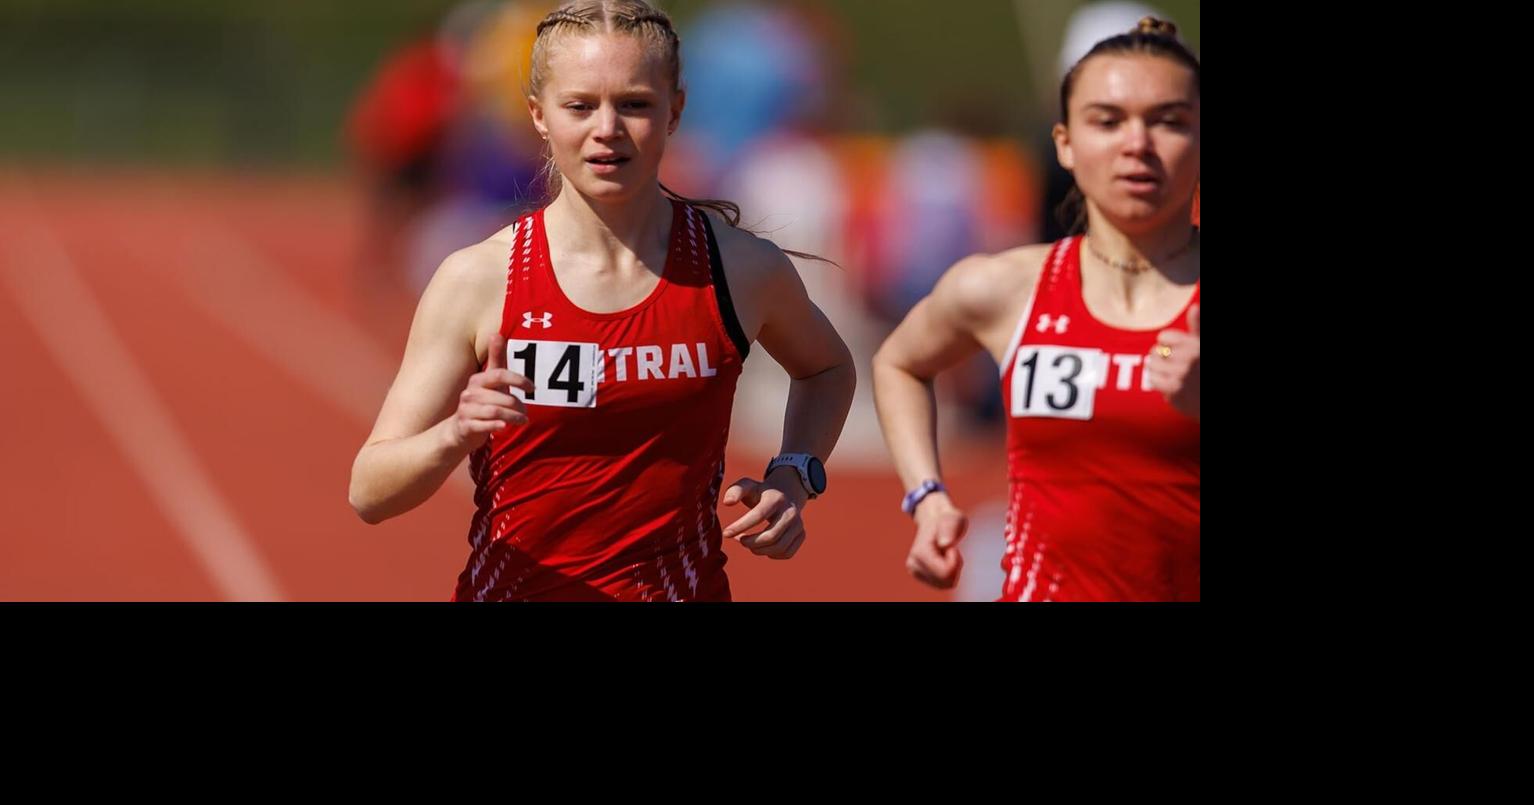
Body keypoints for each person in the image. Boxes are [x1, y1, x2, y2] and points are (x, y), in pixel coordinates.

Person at [348, 0, 856, 602]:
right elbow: (369, 491)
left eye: (635, 104)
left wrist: (796, 473)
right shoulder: (480, 279)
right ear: (538, 115)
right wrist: (455, 432)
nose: (607, 129)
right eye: (580, 106)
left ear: (675, 112)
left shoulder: (739, 269)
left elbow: (827, 367)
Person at [872, 17, 1200, 602]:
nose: (1137, 144)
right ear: (1065, 144)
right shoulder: (1005, 287)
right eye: (1107, 120)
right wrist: (927, 497)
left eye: (1168, 121)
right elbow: (899, 363)